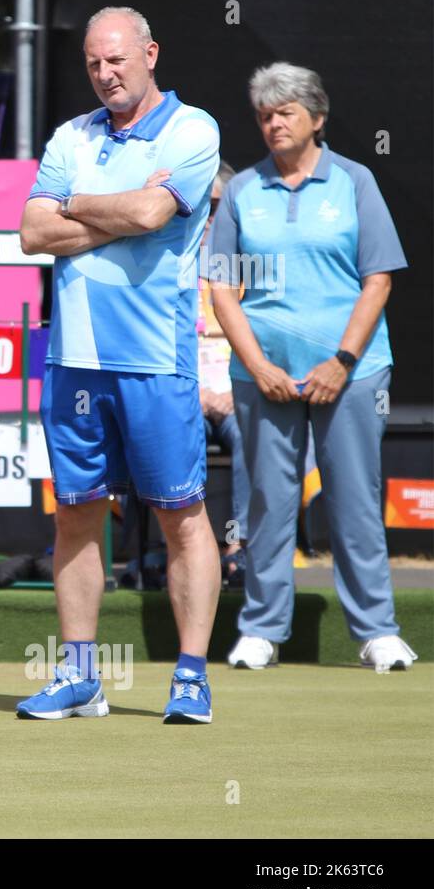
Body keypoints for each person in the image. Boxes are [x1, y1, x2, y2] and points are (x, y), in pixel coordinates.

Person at [17, 6, 221, 723]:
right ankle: (79, 677)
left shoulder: (193, 130)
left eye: (118, 60)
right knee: (75, 516)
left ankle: (190, 678)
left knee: (180, 516)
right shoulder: (70, 135)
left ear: (150, 54)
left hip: (155, 359)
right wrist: (113, 210)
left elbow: (150, 216)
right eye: (94, 63)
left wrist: (75, 206)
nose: (106, 74)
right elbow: (32, 231)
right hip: (73, 359)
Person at [207, 62, 417, 673]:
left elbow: (378, 280)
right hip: (263, 376)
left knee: (354, 498)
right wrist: (256, 365)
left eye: (286, 113)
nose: (274, 123)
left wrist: (341, 361)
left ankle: (376, 631)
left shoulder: (356, 181)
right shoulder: (242, 190)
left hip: (353, 372)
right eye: (264, 115)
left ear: (317, 118)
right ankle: (262, 629)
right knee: (268, 502)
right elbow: (221, 289)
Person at [197, 161, 250, 588]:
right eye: (201, 205)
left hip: (238, 395)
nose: (209, 216)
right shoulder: (164, 265)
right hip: (186, 395)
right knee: (171, 434)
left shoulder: (256, 266)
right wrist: (192, 392)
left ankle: (239, 549)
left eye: (217, 206)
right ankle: (186, 548)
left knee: (254, 430)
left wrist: (241, 389)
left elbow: (270, 340)